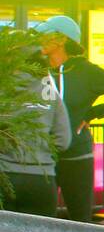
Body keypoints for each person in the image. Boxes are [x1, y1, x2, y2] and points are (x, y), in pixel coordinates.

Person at [35, 15, 104, 223]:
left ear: (61, 40)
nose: (39, 40)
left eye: (44, 35)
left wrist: (92, 114)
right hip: (43, 157)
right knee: (41, 220)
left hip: (77, 156)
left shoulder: (86, 71)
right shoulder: (37, 71)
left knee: (80, 220)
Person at [0, 35, 72, 217]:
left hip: (5, 175)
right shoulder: (50, 92)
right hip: (42, 179)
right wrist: (40, 151)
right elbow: (64, 140)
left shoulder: (3, 88)